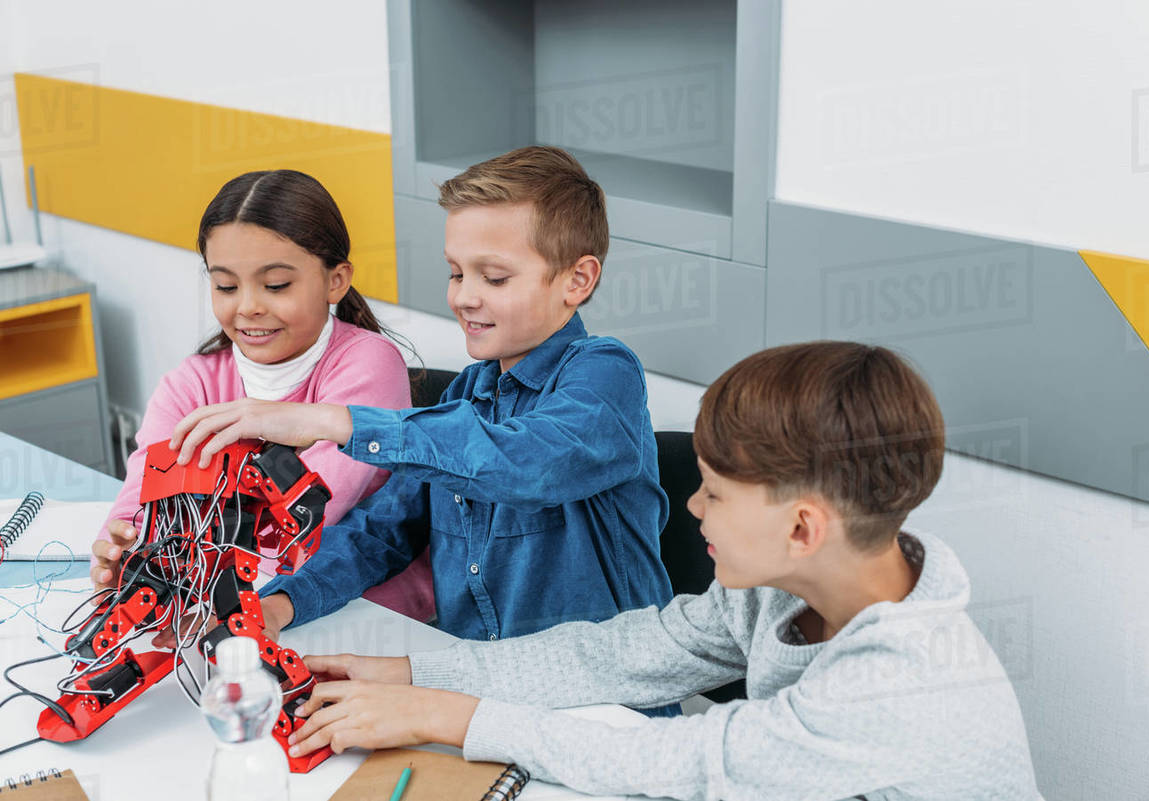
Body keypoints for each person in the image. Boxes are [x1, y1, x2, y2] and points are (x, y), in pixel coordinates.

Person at [280, 343, 1041, 801]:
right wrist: (404, 671)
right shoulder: (781, 590)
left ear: (801, 526)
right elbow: (614, 654)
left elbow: (690, 761)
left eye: (714, 490)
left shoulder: (900, 682)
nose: (692, 503)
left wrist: (441, 716)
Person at [169, 147, 675, 655]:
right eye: (457, 273)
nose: (464, 297)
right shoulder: (466, 395)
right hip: (477, 691)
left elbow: (525, 462)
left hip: (603, 707)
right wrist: (280, 605)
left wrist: (330, 421)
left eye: (493, 278)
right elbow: (380, 533)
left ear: (577, 280)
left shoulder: (607, 373)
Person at [90, 169, 434, 627]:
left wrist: (186, 556)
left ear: (336, 281)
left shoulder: (369, 363)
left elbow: (305, 517)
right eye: (226, 286)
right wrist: (123, 544)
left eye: (275, 286)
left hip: (361, 611)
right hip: (229, 601)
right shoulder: (192, 382)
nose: (248, 305)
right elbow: (142, 495)